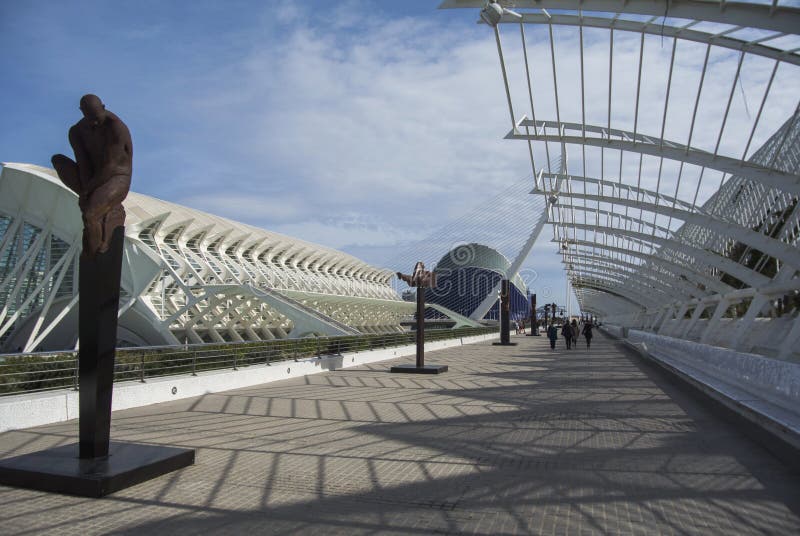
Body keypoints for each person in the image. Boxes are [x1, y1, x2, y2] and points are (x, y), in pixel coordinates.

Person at [51, 95, 132, 259]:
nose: (94, 123)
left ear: (103, 107)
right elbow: (83, 164)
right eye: (90, 119)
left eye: (97, 118)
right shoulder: (76, 132)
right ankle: (93, 249)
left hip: (117, 177)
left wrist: (88, 190)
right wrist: (85, 192)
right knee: (58, 160)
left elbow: (111, 166)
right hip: (92, 179)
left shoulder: (116, 128)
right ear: (82, 113)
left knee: (91, 215)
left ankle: (95, 255)